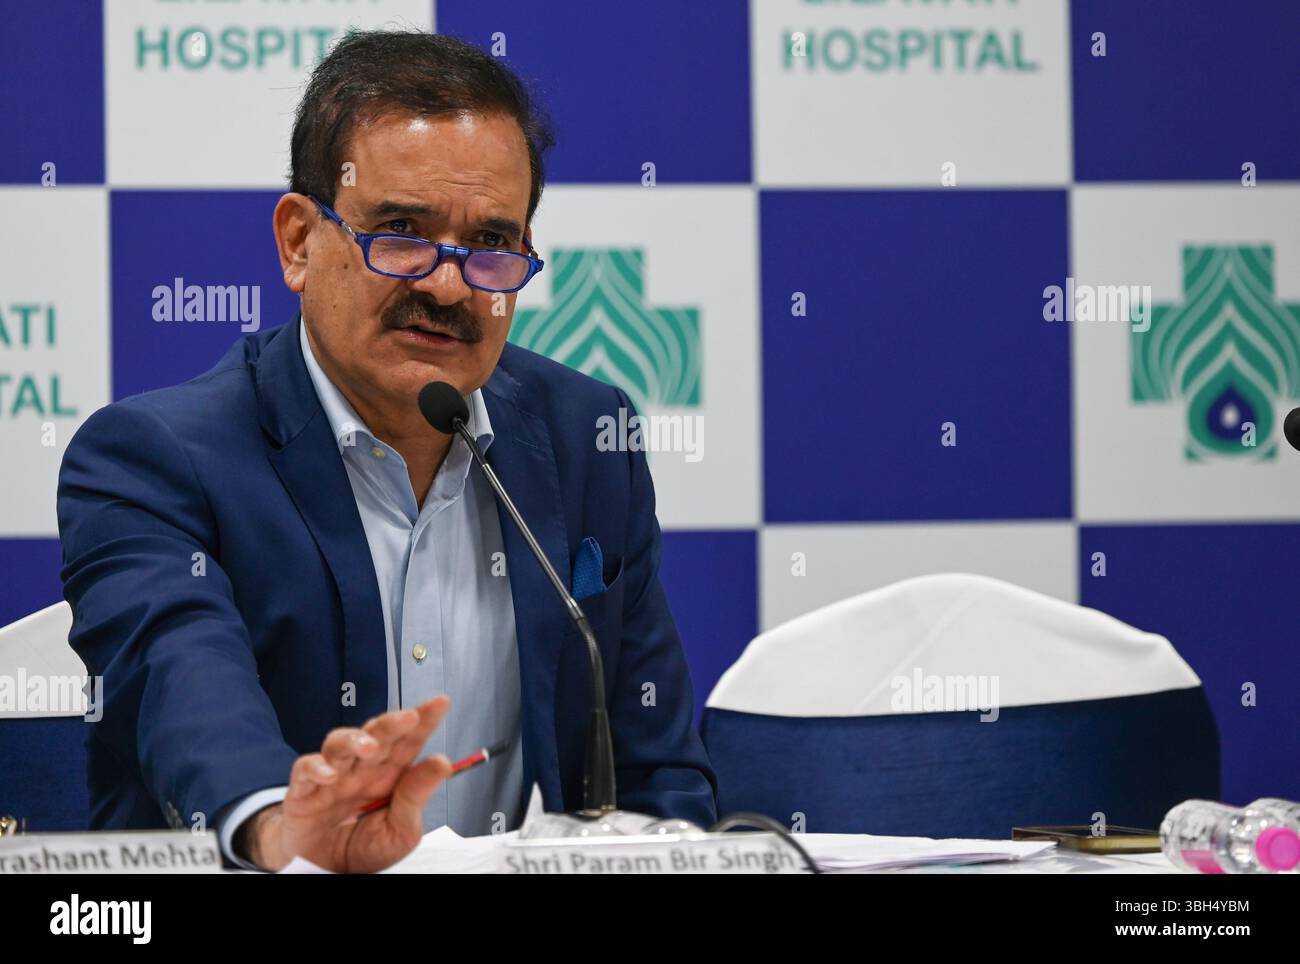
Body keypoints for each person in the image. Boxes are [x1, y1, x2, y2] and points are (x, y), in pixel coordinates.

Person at [57, 30, 717, 872]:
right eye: (401, 231)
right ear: (300, 241)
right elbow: (186, 687)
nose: (448, 285)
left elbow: (654, 771)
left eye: (490, 244)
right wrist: (282, 830)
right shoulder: (153, 458)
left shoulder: (587, 434)